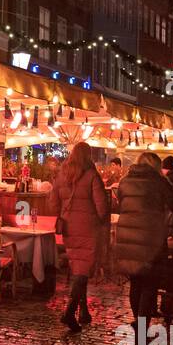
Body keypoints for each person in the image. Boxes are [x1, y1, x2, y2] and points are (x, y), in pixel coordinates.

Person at [115, 152, 173, 327]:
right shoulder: (160, 182)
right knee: (149, 282)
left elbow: (121, 202)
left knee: (135, 281)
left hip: (127, 236)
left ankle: (138, 320)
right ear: (156, 166)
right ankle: (142, 325)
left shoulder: (125, 181)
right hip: (151, 236)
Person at [51, 142, 110, 332]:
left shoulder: (62, 175)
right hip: (88, 229)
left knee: (78, 268)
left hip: (69, 228)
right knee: (82, 272)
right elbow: (102, 207)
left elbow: (53, 203)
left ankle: (83, 311)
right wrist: (100, 221)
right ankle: (69, 312)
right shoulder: (92, 175)